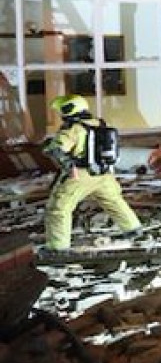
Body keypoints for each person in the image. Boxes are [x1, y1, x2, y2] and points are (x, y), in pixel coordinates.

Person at [42, 95, 141, 251]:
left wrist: (66, 164)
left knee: (59, 208)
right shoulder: (99, 123)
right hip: (104, 174)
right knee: (113, 200)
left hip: (81, 174)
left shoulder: (73, 129)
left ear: (69, 109)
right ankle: (133, 228)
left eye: (62, 110)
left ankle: (58, 247)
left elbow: (56, 150)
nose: (60, 114)